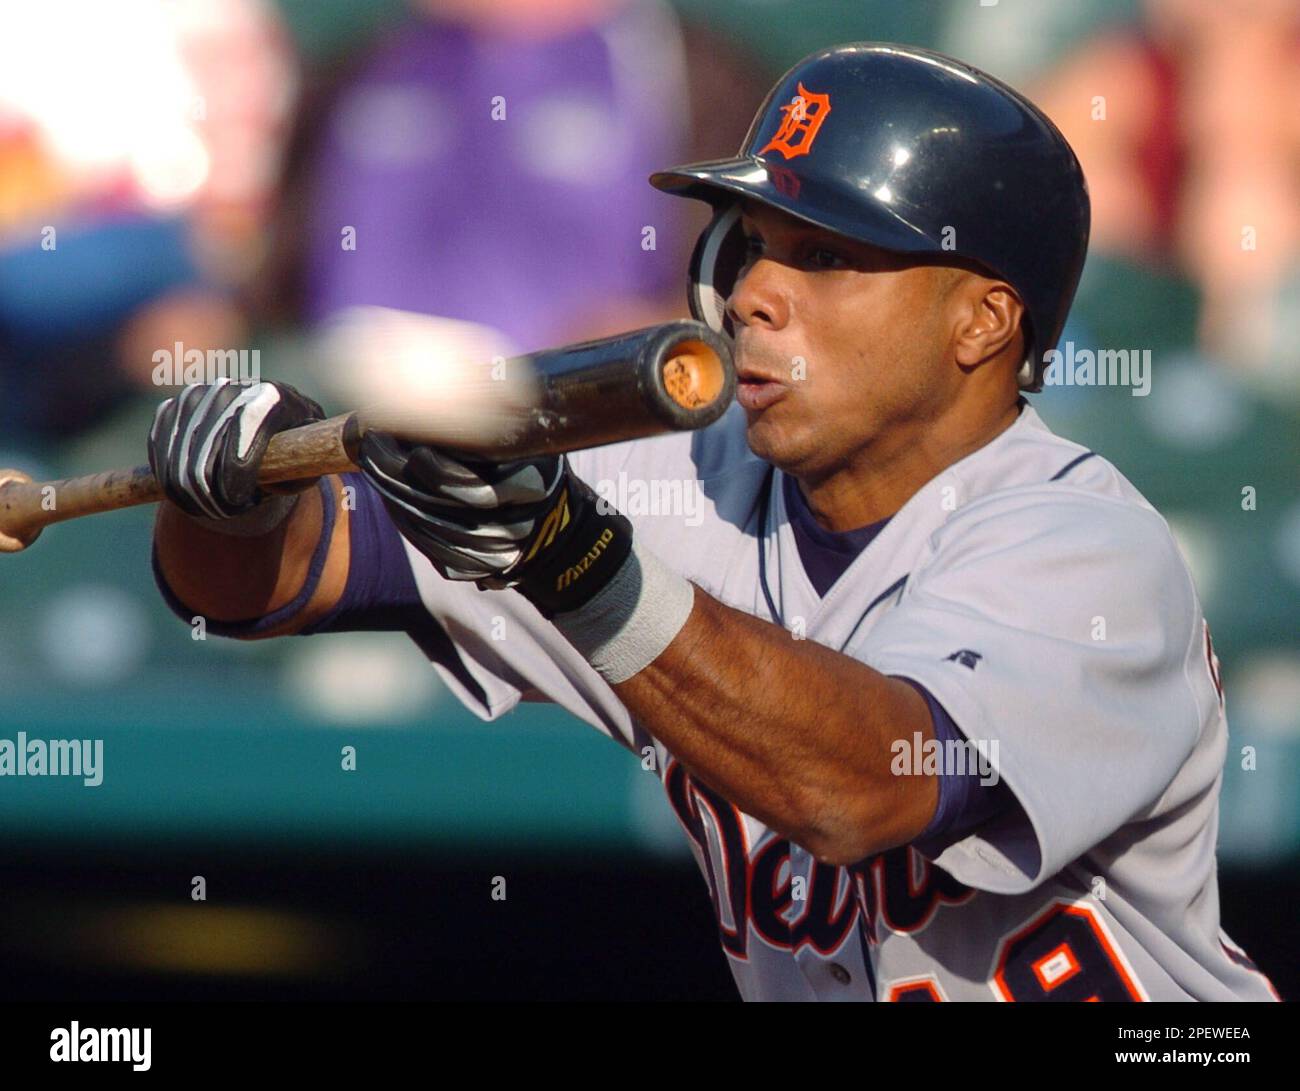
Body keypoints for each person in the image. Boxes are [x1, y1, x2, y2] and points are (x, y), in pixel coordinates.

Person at [147, 43, 1279, 1001]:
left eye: (826, 256)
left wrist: (578, 567)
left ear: (982, 321)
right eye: (751, 243)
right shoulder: (673, 475)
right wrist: (234, 499)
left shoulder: (1086, 551)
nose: (751, 293)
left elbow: (862, 784)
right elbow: (263, 581)